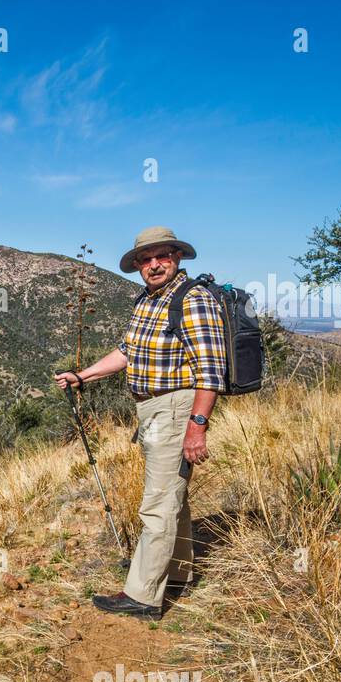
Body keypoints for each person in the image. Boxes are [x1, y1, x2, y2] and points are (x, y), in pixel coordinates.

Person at [55, 226, 226, 619]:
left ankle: (143, 596)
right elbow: (127, 353)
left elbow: (211, 372)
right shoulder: (148, 300)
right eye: (146, 259)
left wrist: (197, 426)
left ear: (177, 257)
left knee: (157, 504)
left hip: (175, 409)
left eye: (162, 256)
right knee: (173, 498)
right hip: (151, 411)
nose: (154, 264)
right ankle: (177, 571)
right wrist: (83, 376)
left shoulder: (192, 299)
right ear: (137, 266)